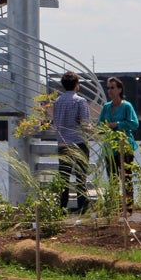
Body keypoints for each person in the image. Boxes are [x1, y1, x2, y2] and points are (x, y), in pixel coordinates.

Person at [98, 76, 139, 213]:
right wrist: (104, 127)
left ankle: (128, 208)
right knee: (113, 179)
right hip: (110, 149)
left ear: (120, 89)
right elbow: (99, 125)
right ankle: (114, 207)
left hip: (125, 147)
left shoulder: (127, 106)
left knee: (126, 177)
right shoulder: (106, 107)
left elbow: (134, 123)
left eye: (112, 87)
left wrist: (118, 125)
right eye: (108, 88)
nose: (109, 90)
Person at [52, 71, 91, 213]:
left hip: (63, 143)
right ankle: (82, 207)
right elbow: (85, 124)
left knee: (64, 177)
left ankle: (62, 207)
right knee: (81, 176)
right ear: (76, 85)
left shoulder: (57, 102)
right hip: (78, 142)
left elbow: (55, 122)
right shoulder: (80, 101)